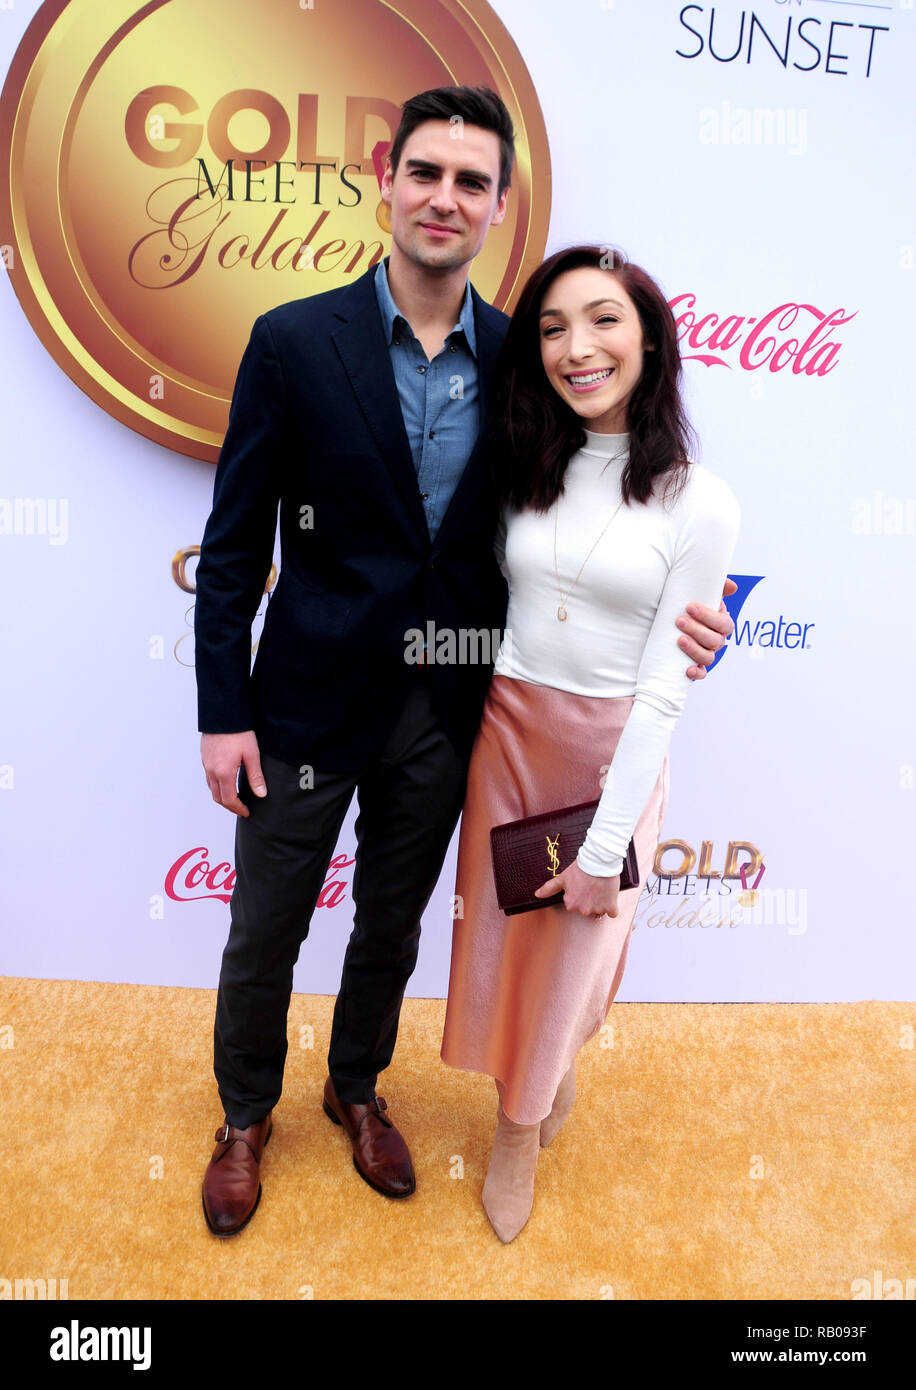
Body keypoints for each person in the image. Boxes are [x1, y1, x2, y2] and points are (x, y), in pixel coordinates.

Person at [194, 87, 735, 1237]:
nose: (446, 198)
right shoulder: (291, 342)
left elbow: (609, 504)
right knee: (267, 921)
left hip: (451, 708)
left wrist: (689, 616)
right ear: (386, 177)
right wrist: (220, 709)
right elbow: (234, 543)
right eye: (427, 172)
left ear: (499, 206)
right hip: (299, 701)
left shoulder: (528, 359)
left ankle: (355, 1087)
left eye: (472, 182)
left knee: (391, 921)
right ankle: (245, 1115)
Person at [440, 245, 741, 1243]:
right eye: (554, 326)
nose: (579, 346)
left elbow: (663, 688)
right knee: (501, 946)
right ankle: (537, 1074)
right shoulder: (524, 460)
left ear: (648, 335)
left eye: (603, 319)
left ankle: (516, 1131)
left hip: (611, 752)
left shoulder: (699, 499)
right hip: (508, 738)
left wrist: (606, 848)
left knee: (573, 945)